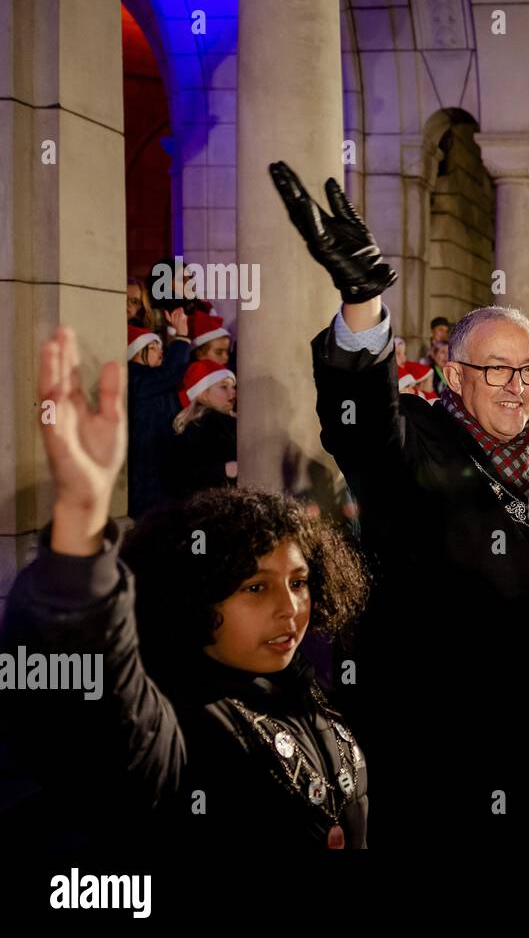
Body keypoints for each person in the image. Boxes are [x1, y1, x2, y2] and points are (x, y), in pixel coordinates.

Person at [271, 161, 529, 848]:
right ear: (453, 373)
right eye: (497, 369)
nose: (517, 387)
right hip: (434, 772)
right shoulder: (415, 443)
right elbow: (360, 421)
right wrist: (363, 304)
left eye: (528, 370)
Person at [1, 328, 370, 848]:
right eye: (255, 588)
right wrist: (79, 529)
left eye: (299, 582)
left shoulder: (311, 686)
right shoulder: (178, 727)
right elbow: (98, 713)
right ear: (197, 597)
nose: (290, 607)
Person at [127, 311, 192, 519]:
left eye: (160, 347)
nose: (160, 352)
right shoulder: (135, 375)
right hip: (145, 466)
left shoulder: (152, 381)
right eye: (152, 347)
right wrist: (181, 338)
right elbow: (171, 372)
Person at [169, 359, 237, 500]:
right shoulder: (201, 425)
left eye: (233, 387)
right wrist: (224, 469)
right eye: (224, 387)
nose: (233, 392)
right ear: (202, 394)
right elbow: (185, 473)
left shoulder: (225, 421)